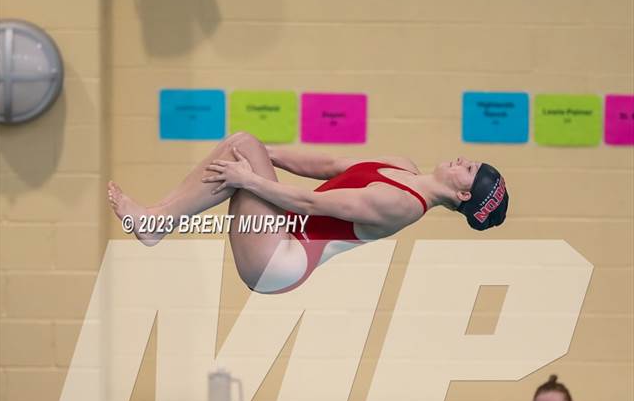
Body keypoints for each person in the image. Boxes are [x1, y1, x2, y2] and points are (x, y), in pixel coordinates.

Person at [108, 131, 508, 294]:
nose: (462, 159)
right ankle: (156, 221)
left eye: (468, 169)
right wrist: (268, 154)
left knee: (242, 153)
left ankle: (155, 222)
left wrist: (248, 177)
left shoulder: (402, 204)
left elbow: (310, 203)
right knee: (245, 143)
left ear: (461, 195)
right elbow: (330, 166)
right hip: (282, 234)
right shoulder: (401, 165)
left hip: (283, 260)